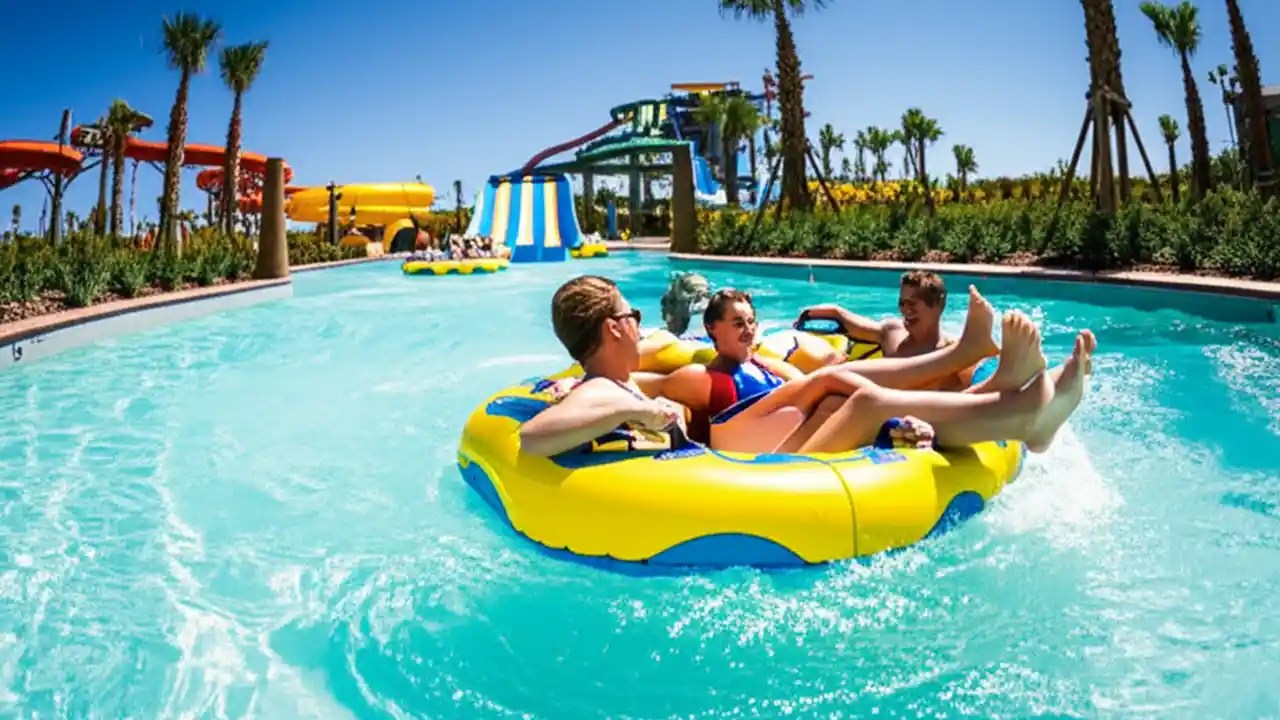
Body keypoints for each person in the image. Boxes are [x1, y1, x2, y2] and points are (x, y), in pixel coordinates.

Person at [519, 275, 1095, 460]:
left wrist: (637, 397)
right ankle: (1018, 412)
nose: (638, 322)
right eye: (631, 313)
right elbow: (532, 437)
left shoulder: (614, 382)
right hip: (771, 469)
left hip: (779, 442)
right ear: (612, 328)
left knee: (846, 392)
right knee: (850, 395)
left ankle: (1006, 398)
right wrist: (639, 405)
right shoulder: (604, 390)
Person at [648, 287, 1000, 449]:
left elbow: (806, 389)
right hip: (760, 451)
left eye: (752, 322)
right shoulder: (703, 377)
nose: (750, 330)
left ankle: (979, 393)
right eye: (738, 323)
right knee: (831, 381)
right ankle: (960, 355)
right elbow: (651, 387)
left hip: (800, 433)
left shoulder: (763, 364)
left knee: (836, 395)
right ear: (712, 329)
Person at [796, 270, 977, 389]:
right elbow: (853, 323)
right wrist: (830, 311)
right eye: (902, 303)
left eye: (912, 304)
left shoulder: (952, 355)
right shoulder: (893, 332)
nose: (906, 311)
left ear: (938, 305)